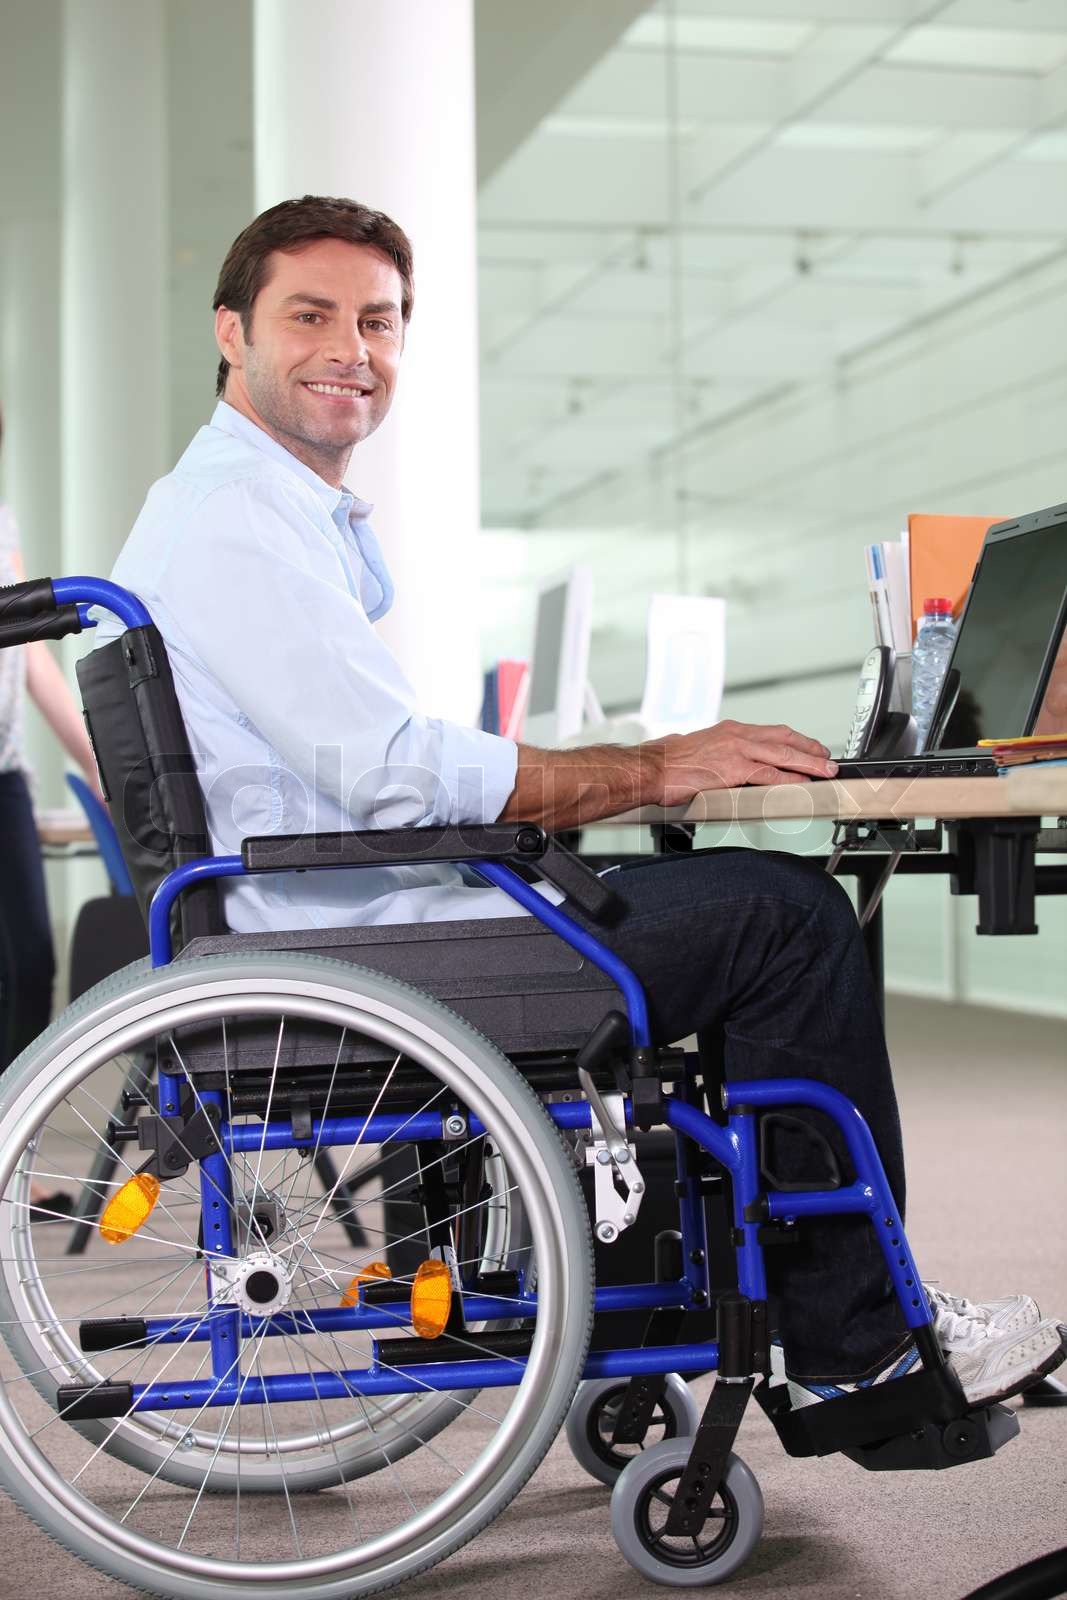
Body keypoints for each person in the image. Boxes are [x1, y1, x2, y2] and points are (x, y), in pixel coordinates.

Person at [94, 195, 1063, 1409]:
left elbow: (375, 765)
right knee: (784, 919)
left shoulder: (245, 507)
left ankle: (813, 1313)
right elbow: (391, 772)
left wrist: (623, 771)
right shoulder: (234, 520)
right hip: (353, 951)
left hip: (331, 923)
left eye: (381, 322)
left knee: (744, 901)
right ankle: (853, 1345)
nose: (354, 348)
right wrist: (654, 764)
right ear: (232, 332)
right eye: (313, 315)